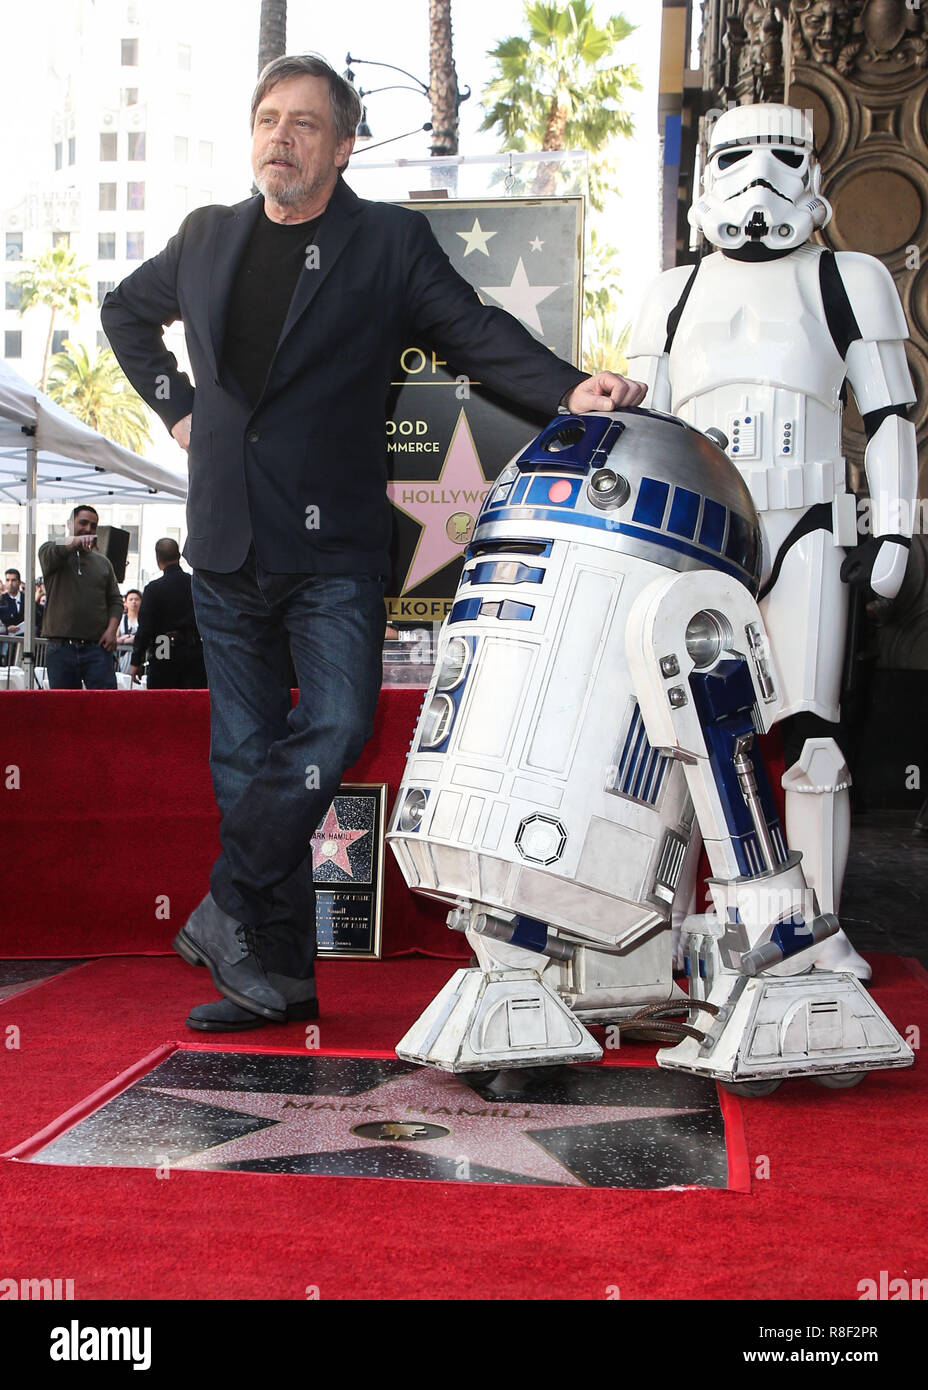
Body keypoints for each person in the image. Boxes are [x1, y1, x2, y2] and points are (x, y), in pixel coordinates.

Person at [101, 52, 647, 1034]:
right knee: (244, 763)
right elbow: (125, 312)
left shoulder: (386, 243)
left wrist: (569, 389)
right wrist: (180, 411)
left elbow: (472, 330)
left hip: (333, 548)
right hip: (224, 541)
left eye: (304, 123)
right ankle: (274, 979)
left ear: (344, 145)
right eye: (268, 118)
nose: (281, 136)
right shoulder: (206, 238)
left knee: (341, 725)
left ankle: (227, 904)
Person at [38, 506, 123, 689]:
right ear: (69, 524)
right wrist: (75, 541)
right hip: (61, 647)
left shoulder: (103, 562)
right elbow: (53, 550)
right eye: (82, 523)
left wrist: (112, 630)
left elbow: (116, 600)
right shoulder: (50, 551)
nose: (88, 529)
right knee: (64, 709)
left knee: (105, 707)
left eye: (93, 526)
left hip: (97, 648)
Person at [129, 539, 206, 689]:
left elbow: (145, 628)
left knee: (162, 702)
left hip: (162, 646)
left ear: (158, 559)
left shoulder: (153, 589)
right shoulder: (195, 585)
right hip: (193, 647)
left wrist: (136, 660)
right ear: (178, 556)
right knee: (192, 704)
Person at [115, 588, 142, 675]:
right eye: (131, 599)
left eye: (136, 599)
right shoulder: (120, 619)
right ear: (125, 602)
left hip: (139, 659)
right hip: (122, 659)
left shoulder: (144, 620)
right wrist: (126, 640)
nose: (134, 602)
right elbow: (114, 639)